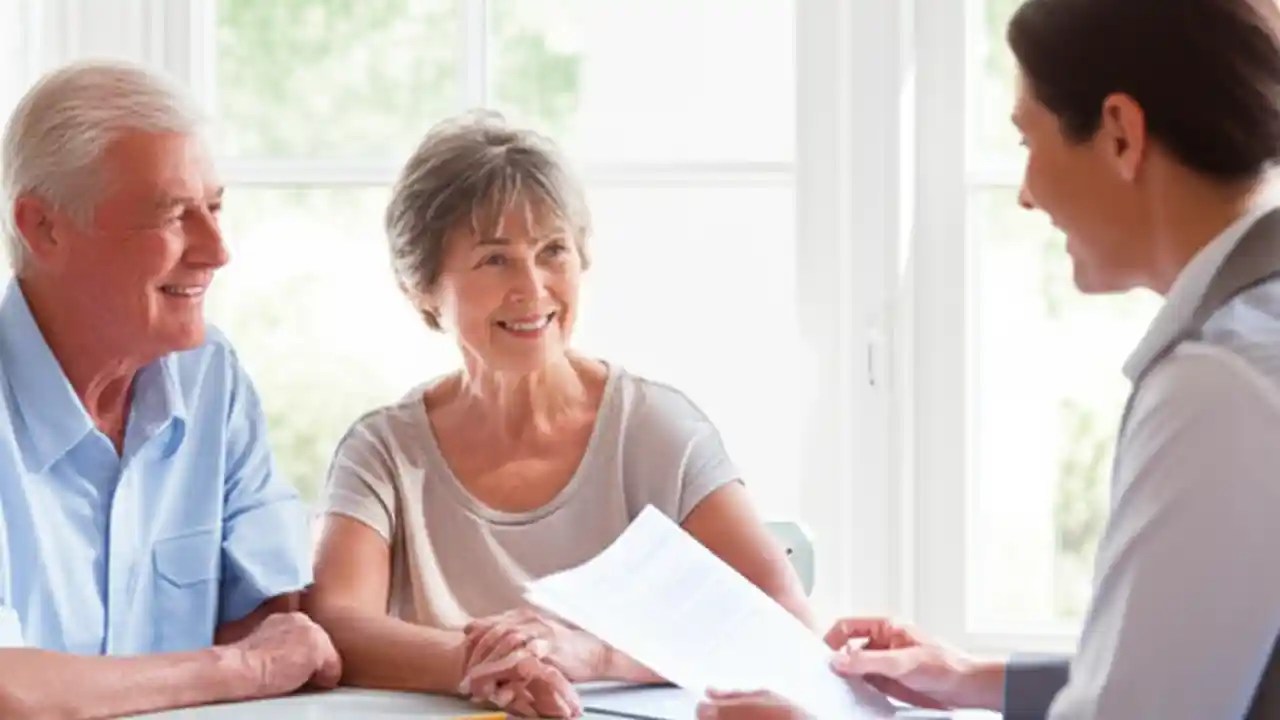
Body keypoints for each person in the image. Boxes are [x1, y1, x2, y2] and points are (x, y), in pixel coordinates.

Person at [698, 0, 1280, 718]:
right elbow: (1207, 665)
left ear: (1122, 134)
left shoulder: (1218, 385)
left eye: (1027, 141)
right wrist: (976, 678)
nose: (1028, 194)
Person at [304, 111, 814, 718]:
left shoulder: (655, 430)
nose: (532, 287)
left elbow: (784, 620)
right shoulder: (384, 450)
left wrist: (592, 654)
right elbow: (336, 626)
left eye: (552, 251)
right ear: (423, 286)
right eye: (495, 259)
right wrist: (489, 667)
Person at [0, 60, 340, 718]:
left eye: (214, 207)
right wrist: (240, 667)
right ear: (44, 227)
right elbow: (7, 690)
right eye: (174, 215)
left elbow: (277, 620)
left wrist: (256, 656)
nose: (217, 250)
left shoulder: (212, 376)